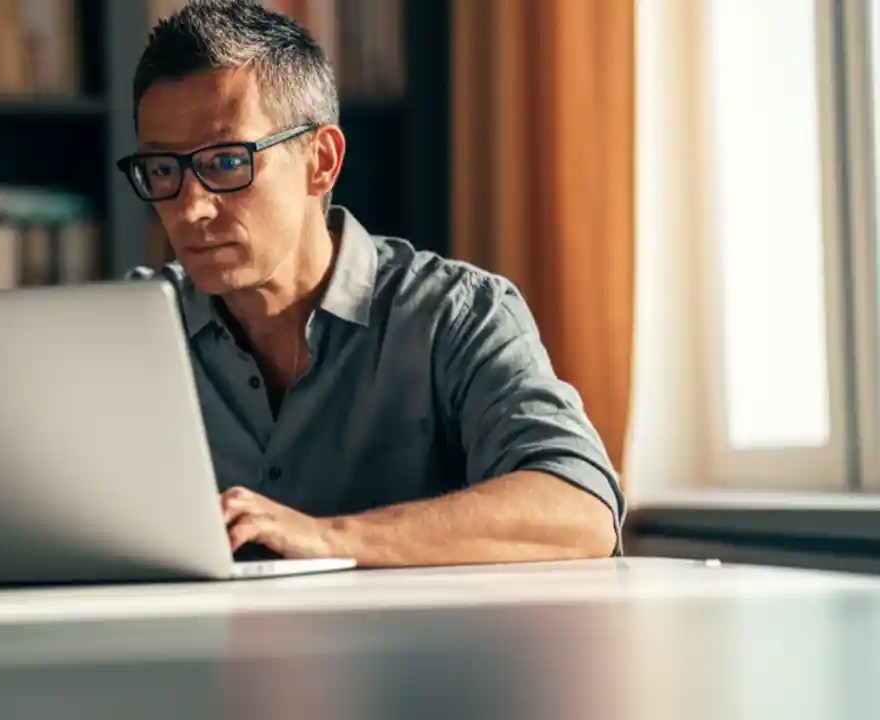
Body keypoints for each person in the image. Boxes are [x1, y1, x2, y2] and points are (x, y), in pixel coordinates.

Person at [117, 0, 623, 566]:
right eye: (163, 169)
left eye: (227, 162)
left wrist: (328, 538)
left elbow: (580, 511)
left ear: (321, 161)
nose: (190, 209)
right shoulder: (130, 326)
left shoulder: (455, 315)